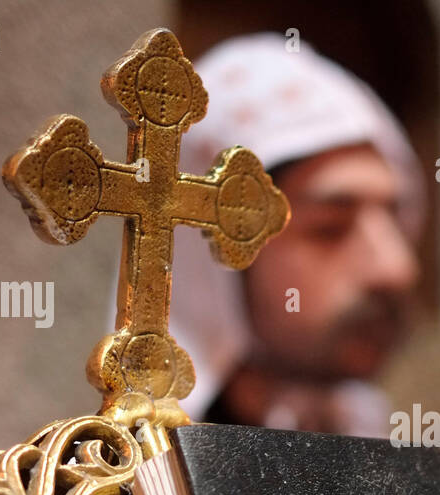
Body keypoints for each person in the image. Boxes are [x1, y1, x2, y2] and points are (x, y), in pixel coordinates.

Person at [167, 33, 424, 436]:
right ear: (209, 251)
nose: (396, 268)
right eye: (329, 229)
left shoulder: (368, 432)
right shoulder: (127, 482)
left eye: (397, 219)